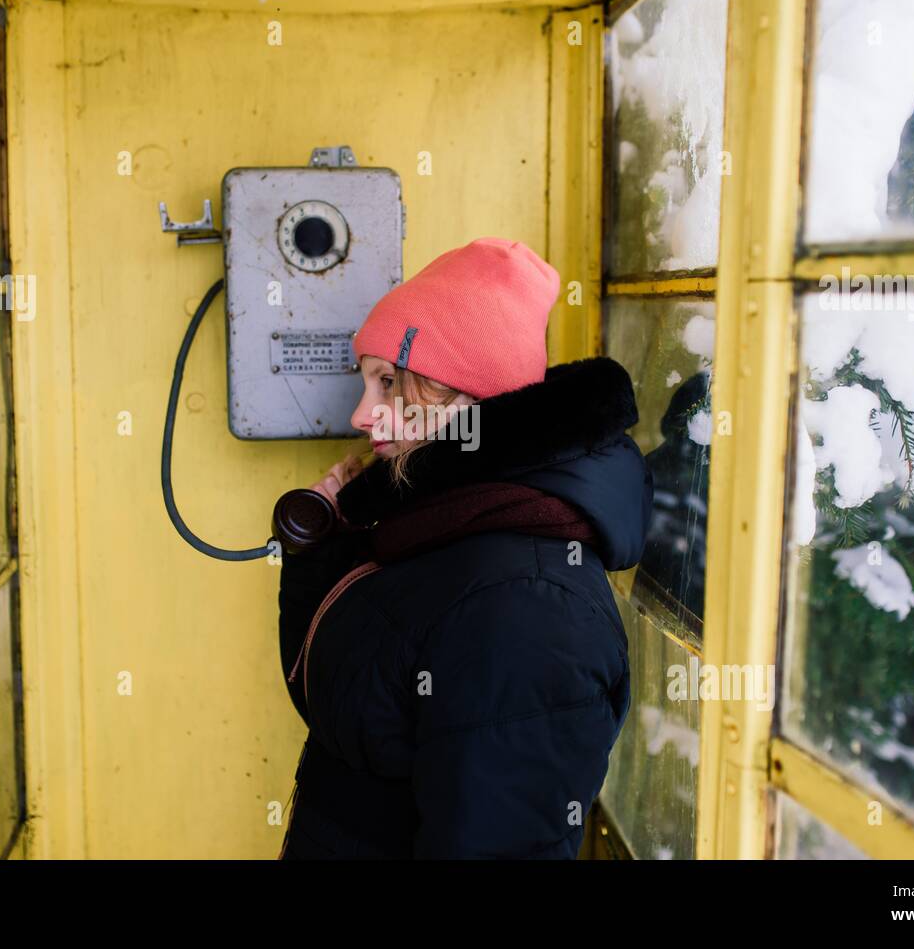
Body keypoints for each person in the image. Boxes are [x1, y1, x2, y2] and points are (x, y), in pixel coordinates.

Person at [277, 237, 654, 858]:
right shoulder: (435, 526)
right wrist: (322, 548)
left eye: (387, 382)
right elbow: (343, 708)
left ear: (464, 396)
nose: (361, 414)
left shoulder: (526, 605)